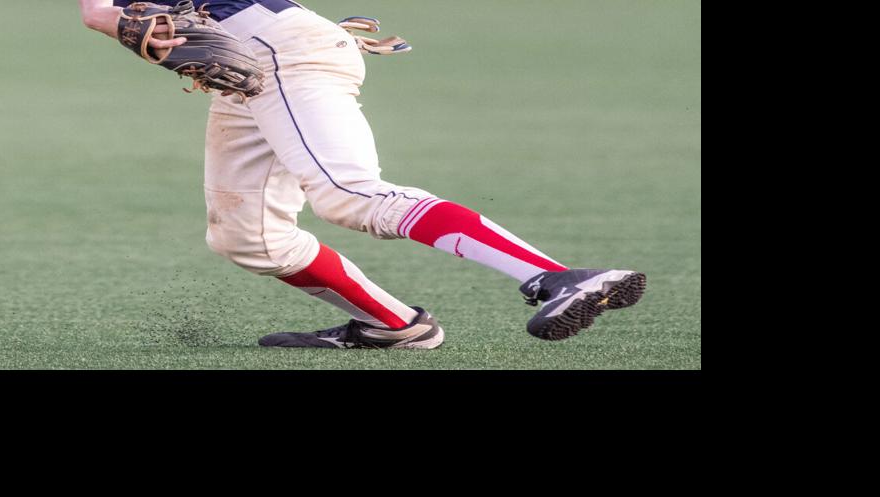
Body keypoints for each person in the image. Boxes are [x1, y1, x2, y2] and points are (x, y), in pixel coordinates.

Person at [79, 0, 646, 349]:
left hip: (284, 53)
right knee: (249, 238)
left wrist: (114, 20)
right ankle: (396, 327)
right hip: (247, 70)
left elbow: (98, 12)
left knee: (349, 196)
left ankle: (557, 277)